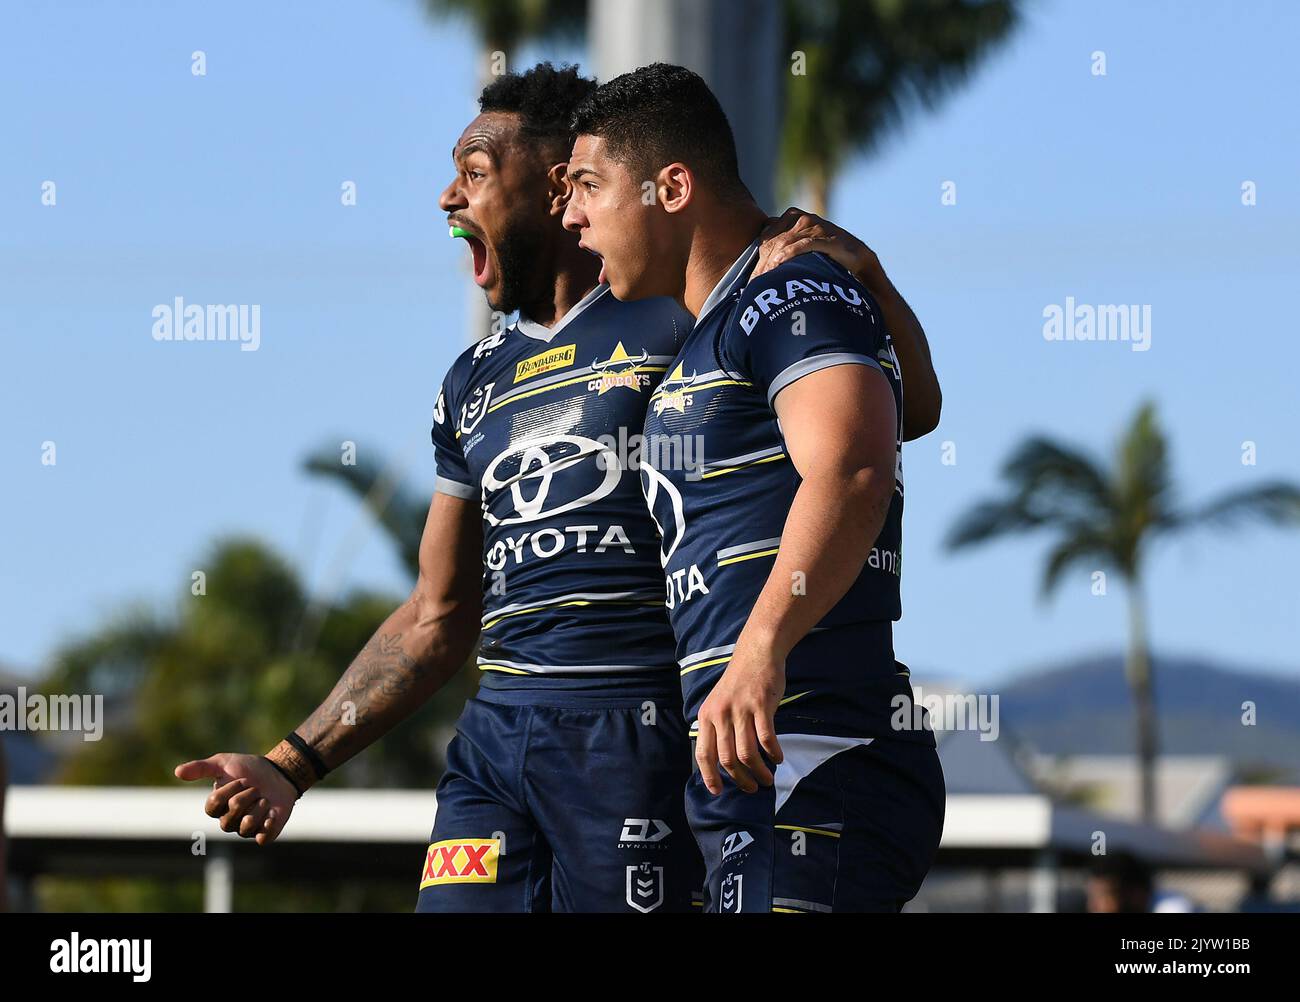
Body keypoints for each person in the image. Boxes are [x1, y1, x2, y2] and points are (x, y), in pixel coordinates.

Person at [176, 62, 940, 913]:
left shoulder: (692, 305)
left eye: (474, 174)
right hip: (500, 739)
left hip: (653, 738)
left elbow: (881, 429)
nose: (446, 200)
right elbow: (437, 612)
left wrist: (861, 274)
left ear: (552, 188)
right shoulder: (473, 380)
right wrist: (292, 763)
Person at [563, 62, 946, 913]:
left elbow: (854, 464)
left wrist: (761, 648)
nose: (571, 214)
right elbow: (915, 409)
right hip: (755, 760)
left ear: (672, 186)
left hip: (819, 748)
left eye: (589, 184)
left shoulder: (783, 291)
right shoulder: (721, 322)